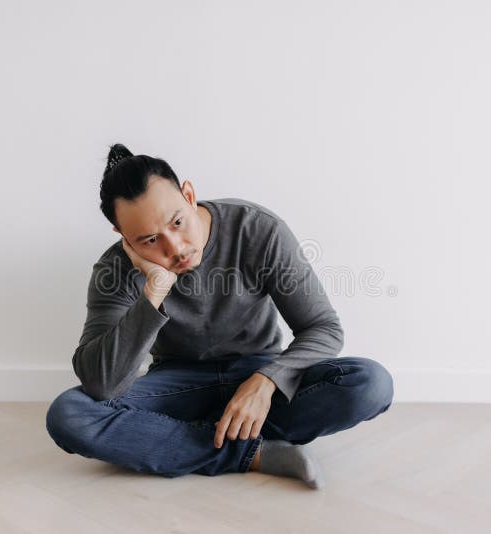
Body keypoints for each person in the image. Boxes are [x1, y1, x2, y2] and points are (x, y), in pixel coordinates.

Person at [45, 143, 394, 489]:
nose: (175, 247)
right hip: (178, 385)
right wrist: (154, 290)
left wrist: (267, 381)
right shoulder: (115, 269)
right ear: (123, 237)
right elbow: (101, 383)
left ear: (189, 194)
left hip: (258, 370)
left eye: (178, 222)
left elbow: (323, 328)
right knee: (69, 414)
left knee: (370, 383)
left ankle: (185, 439)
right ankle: (252, 453)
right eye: (150, 240)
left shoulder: (257, 229)